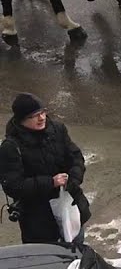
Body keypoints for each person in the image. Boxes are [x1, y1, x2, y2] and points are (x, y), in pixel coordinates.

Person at [0, 94, 90, 247]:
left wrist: (73, 178)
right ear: (22, 119)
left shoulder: (58, 129)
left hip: (70, 205)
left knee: (77, 247)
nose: (41, 118)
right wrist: (50, 182)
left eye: (43, 112)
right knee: (47, 254)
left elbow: (75, 157)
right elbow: (13, 186)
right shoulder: (10, 147)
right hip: (38, 219)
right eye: (34, 116)